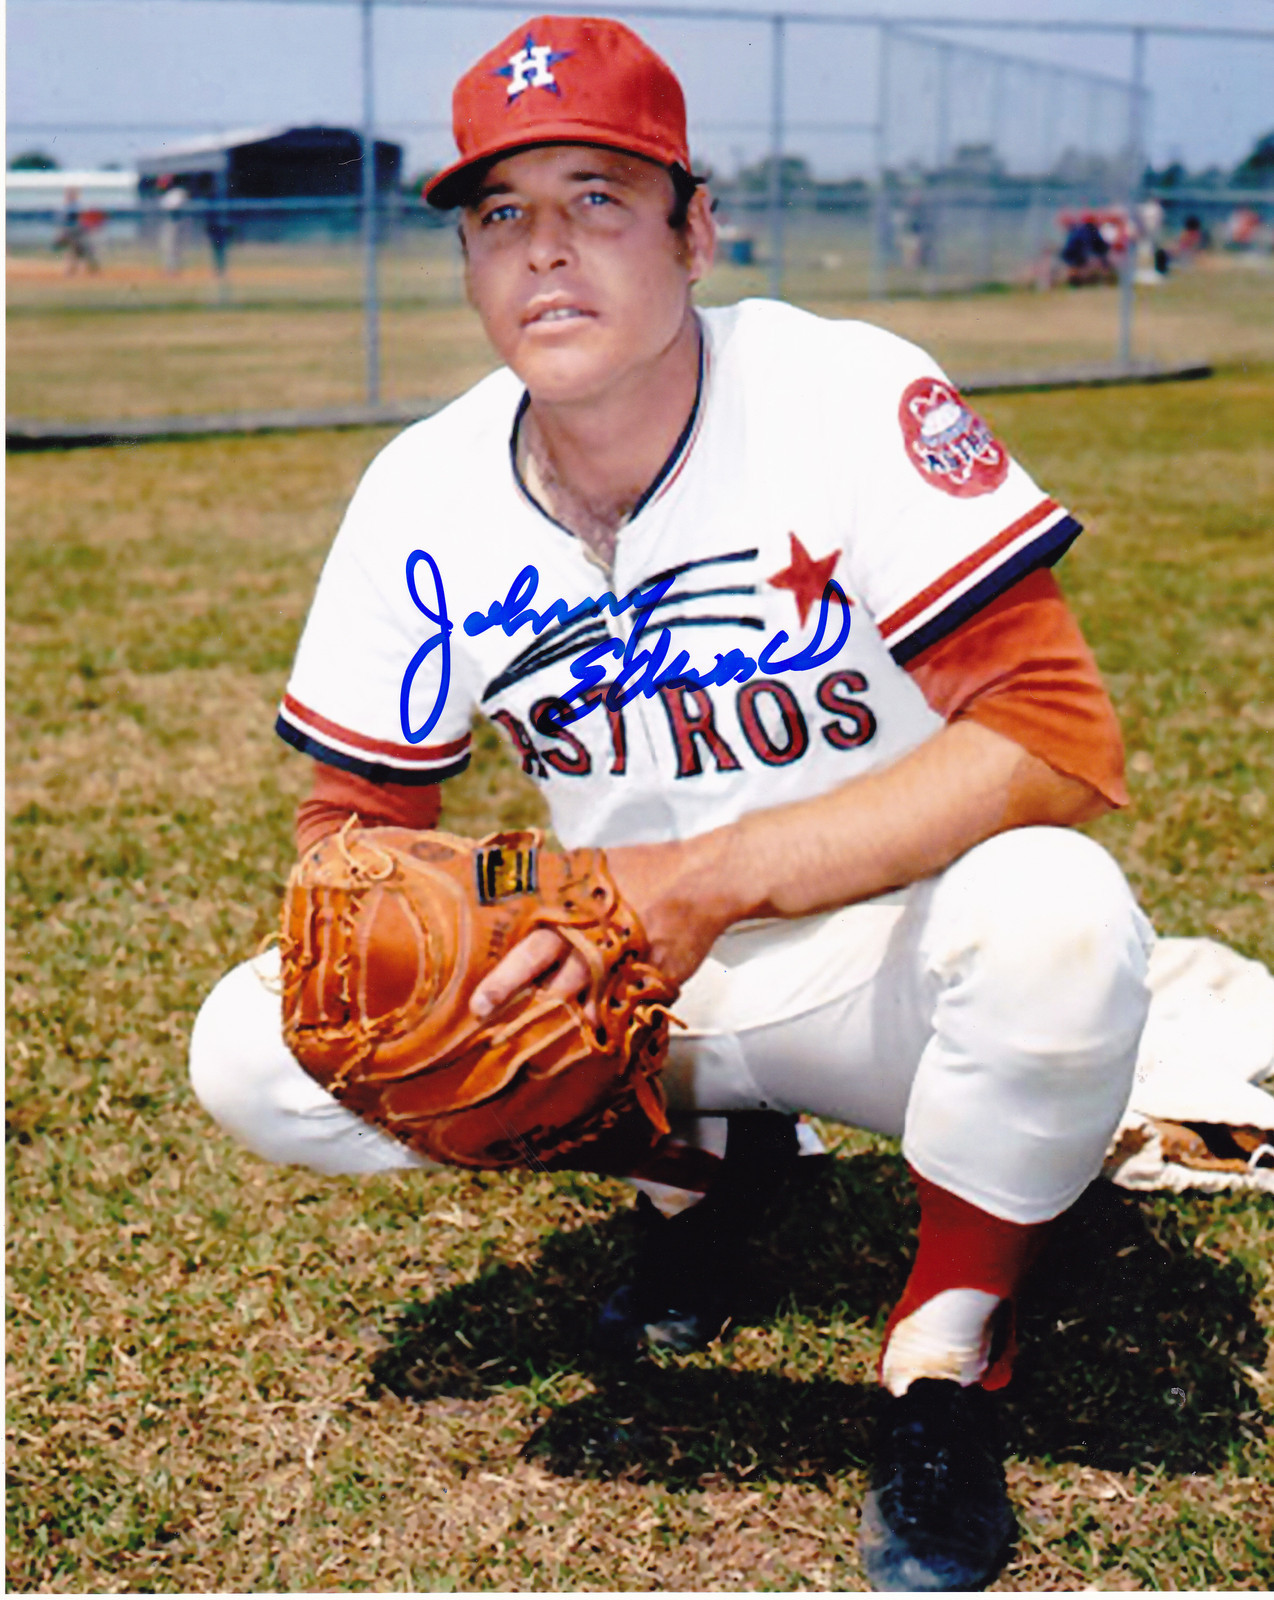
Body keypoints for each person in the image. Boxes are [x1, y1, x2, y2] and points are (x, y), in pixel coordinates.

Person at [190, 15, 1155, 1590]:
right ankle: (691, 1170)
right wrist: (473, 947)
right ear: (466, 264)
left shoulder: (844, 392)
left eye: (596, 199)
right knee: (253, 1047)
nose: (544, 253)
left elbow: (1055, 738)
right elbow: (346, 835)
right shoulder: (421, 489)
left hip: (888, 960)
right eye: (500, 213)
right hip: (623, 986)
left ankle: (945, 1346)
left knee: (1060, 920)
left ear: (695, 230)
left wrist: (699, 880)